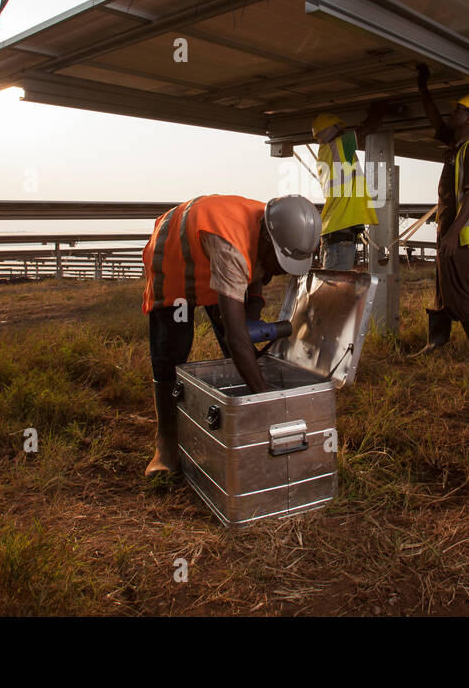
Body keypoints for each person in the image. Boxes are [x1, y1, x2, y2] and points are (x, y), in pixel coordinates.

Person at [140, 194, 321, 475]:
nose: (279, 272)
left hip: (211, 256)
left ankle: (245, 428)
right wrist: (269, 404)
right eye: (280, 262)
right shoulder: (231, 249)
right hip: (174, 262)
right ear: (267, 241)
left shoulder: (278, 223)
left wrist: (255, 306)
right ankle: (166, 444)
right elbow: (237, 340)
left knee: (238, 343)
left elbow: (259, 266)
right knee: (172, 351)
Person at [414, 65, 469, 363]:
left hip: (460, 235)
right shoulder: (458, 146)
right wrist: (423, 88)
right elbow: (436, 121)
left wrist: (452, 234)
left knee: (457, 294)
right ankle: (438, 341)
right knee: (442, 290)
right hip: (449, 232)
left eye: (459, 111)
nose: (454, 114)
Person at [310, 103, 387, 269]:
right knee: (335, 292)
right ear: (333, 130)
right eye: (340, 129)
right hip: (340, 236)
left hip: (336, 232)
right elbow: (371, 126)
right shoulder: (340, 145)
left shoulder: (326, 152)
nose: (344, 132)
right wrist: (381, 108)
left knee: (334, 290)